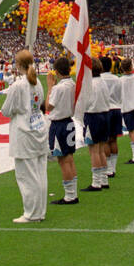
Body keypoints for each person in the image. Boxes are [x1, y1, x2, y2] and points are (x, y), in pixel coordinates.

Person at [2, 50, 47, 223]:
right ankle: (40, 211)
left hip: (23, 131)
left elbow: (6, 110)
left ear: (18, 64)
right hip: (38, 128)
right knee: (40, 173)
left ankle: (31, 213)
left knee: (26, 176)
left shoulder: (19, 85)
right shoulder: (37, 83)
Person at [46, 55, 79, 205]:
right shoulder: (72, 84)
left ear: (57, 71)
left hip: (59, 124)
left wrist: (49, 88)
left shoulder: (58, 88)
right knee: (70, 158)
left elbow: (48, 107)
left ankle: (69, 195)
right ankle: (73, 192)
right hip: (69, 122)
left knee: (63, 160)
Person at [75, 56, 110, 191]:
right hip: (104, 114)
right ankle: (103, 179)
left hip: (93, 116)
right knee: (101, 149)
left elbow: (85, 103)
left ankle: (96, 182)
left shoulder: (89, 85)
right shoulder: (103, 82)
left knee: (93, 150)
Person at [102, 57, 123, 177]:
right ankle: (113, 168)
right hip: (116, 109)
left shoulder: (99, 79)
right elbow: (120, 95)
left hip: (105, 110)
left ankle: (109, 169)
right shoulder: (117, 79)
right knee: (114, 139)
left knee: (105, 140)